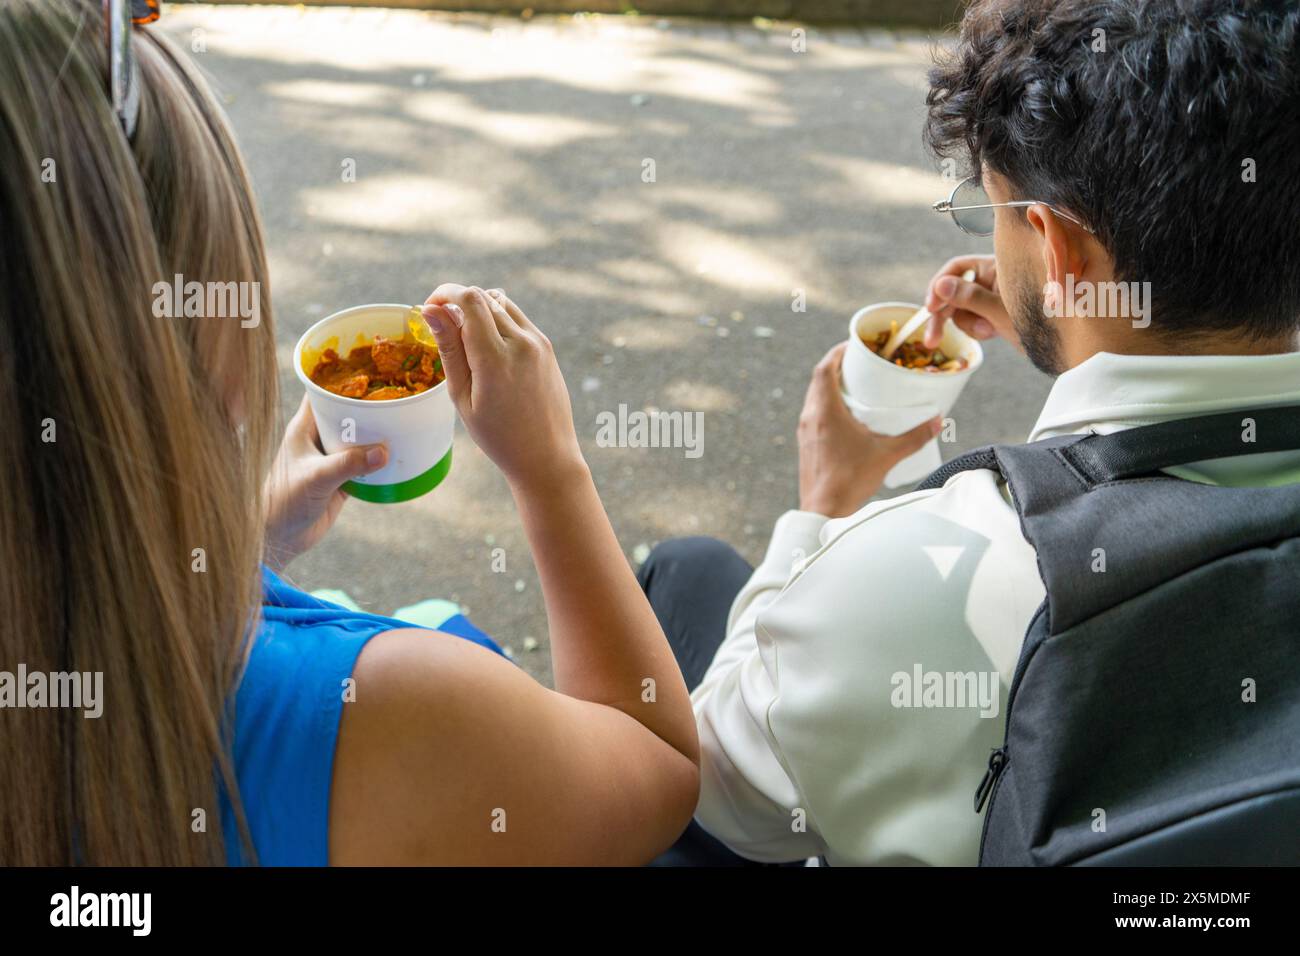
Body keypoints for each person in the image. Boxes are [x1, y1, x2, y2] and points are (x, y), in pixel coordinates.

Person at [0, 0, 697, 865]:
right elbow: (661, 767)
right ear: (173, 352)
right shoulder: (401, 715)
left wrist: (233, 555)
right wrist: (551, 471)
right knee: (693, 577)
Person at [658, 0, 1300, 865]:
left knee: (684, 576)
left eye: (990, 211)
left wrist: (821, 508)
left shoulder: (913, 575)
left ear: (1056, 245)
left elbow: (704, 786)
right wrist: (1076, 323)